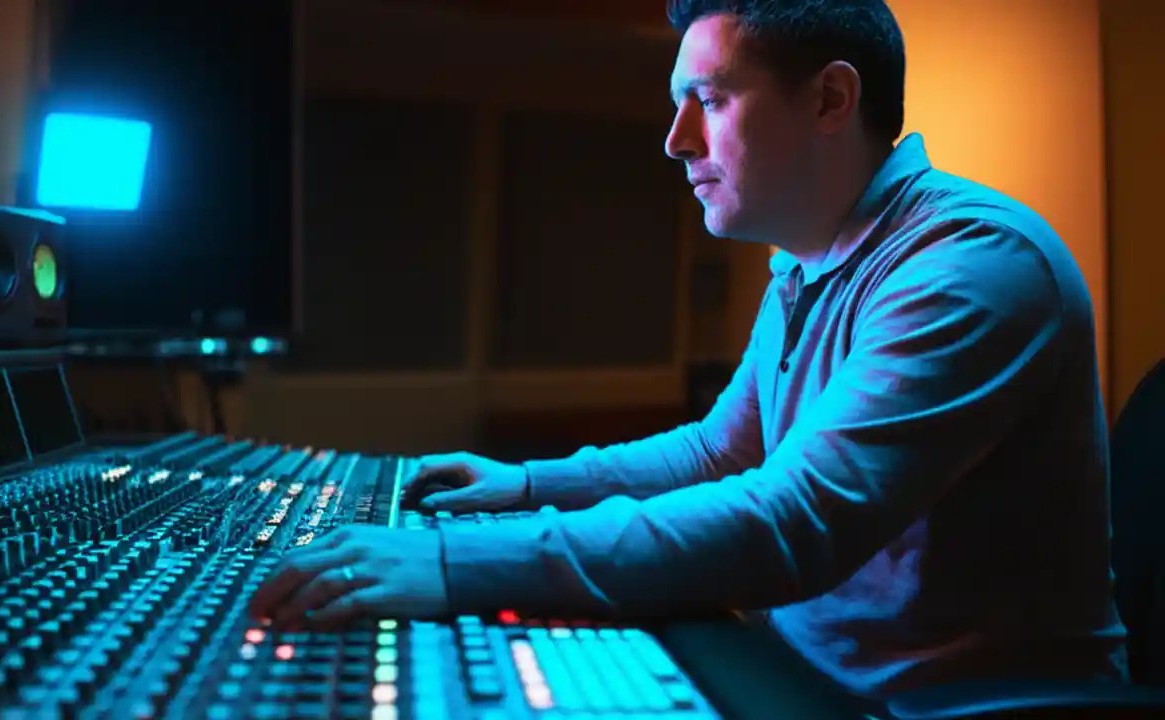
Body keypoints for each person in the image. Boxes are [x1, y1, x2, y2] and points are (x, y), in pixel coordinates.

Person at [250, 0, 1128, 700]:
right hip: (809, 677)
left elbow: (797, 523)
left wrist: (454, 562)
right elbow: (721, 450)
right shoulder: (811, 258)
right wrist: (523, 486)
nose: (675, 140)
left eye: (707, 100)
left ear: (829, 99)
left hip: (961, 706)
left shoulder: (972, 265)